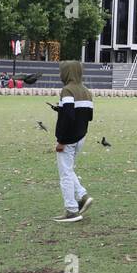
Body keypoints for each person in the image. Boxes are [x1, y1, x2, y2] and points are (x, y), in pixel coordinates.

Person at [53, 60, 95, 223]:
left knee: (65, 174)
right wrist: (61, 109)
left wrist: (61, 140)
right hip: (81, 136)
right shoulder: (86, 91)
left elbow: (68, 117)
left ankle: (71, 210)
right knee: (69, 170)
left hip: (68, 138)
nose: (60, 74)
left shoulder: (67, 90)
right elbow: (87, 116)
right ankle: (82, 196)